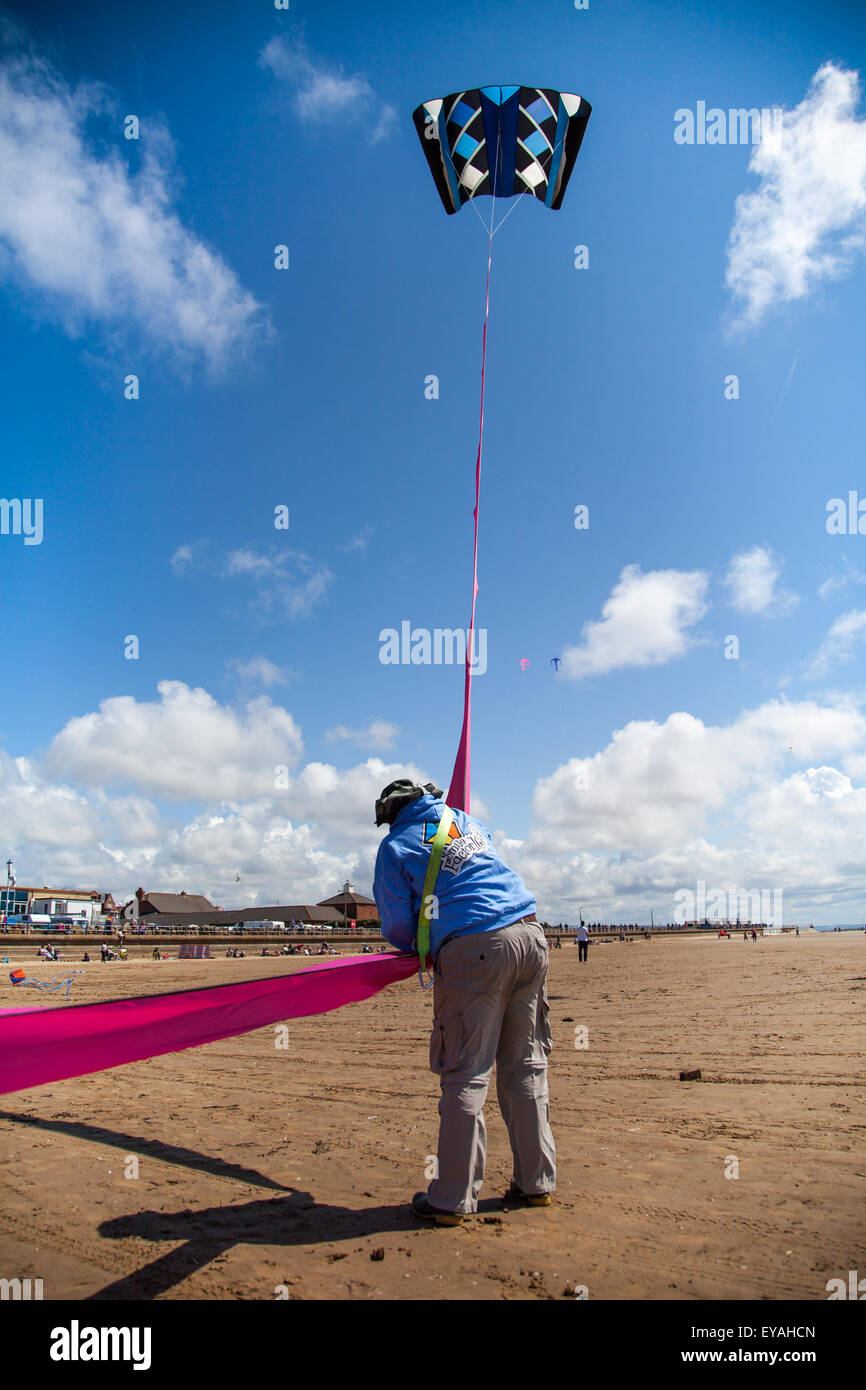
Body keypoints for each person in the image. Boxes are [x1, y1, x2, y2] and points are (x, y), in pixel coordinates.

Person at [373, 777, 554, 1227]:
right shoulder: (464, 819)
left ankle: (453, 1198)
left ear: (390, 813)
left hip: (475, 949)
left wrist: (423, 940)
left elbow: (396, 924)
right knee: (526, 1065)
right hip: (530, 935)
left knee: (466, 1072)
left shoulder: (395, 846)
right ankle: (536, 1184)